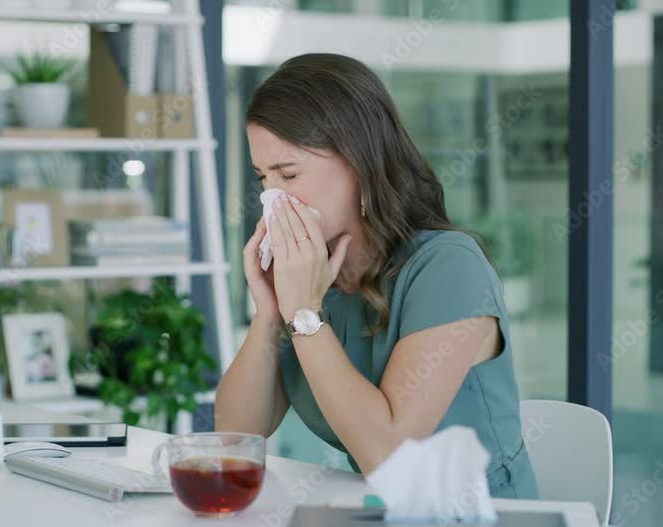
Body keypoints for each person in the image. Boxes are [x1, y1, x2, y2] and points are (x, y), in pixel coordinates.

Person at [214, 53, 539, 499]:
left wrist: (305, 315)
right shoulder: (312, 280)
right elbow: (235, 438)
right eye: (263, 178)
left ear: (360, 164)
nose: (273, 197)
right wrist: (271, 311)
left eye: (288, 174)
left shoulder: (449, 267)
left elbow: (388, 457)